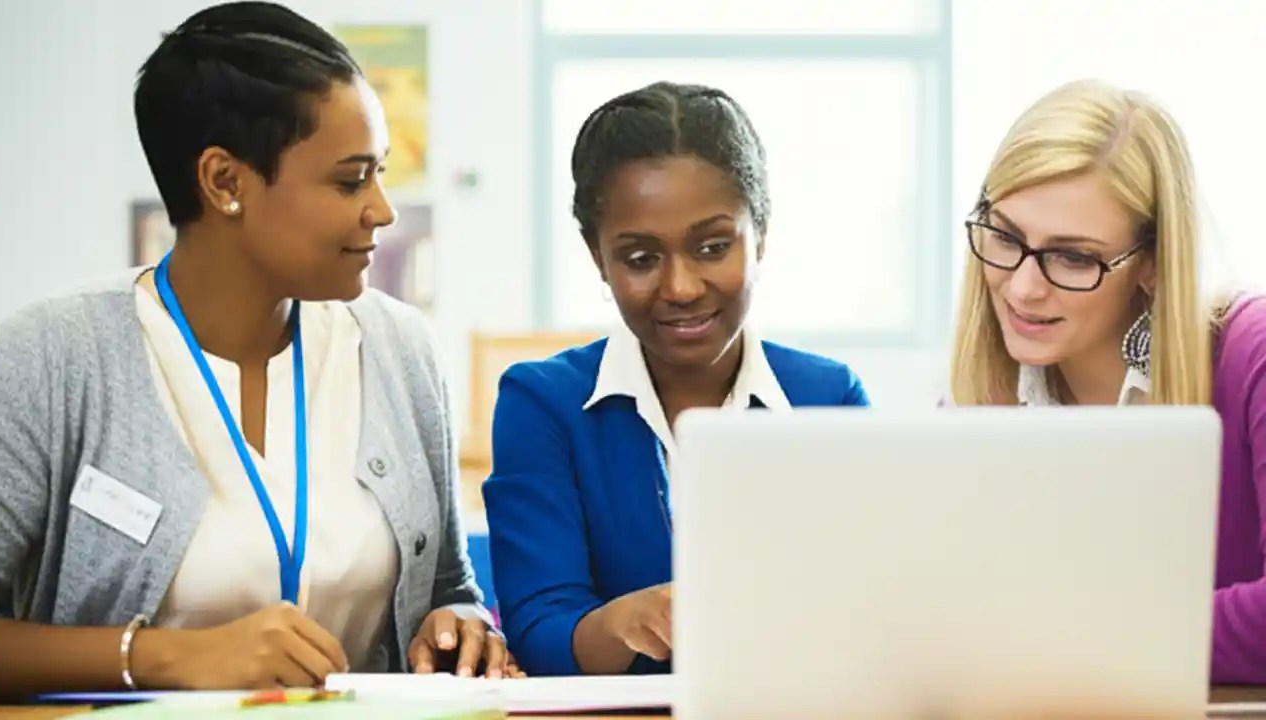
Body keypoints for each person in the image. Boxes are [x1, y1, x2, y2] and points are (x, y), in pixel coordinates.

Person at [0, 1, 515, 697]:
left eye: (381, 173)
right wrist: (168, 657)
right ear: (225, 182)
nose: (382, 209)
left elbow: (449, 584)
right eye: (350, 179)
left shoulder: (400, 351)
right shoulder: (52, 362)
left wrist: (460, 624)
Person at [483, 81, 870, 676]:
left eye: (713, 247)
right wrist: (623, 622)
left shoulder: (829, 397)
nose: (682, 287)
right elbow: (538, 629)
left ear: (759, 236)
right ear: (597, 258)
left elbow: (870, 609)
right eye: (640, 259)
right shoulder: (543, 402)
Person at [949, 78, 1266, 682]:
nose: (1022, 287)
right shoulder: (977, 405)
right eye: (1006, 237)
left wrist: (1083, 641)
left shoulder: (1252, 358)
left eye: (1073, 257)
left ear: (1150, 263)